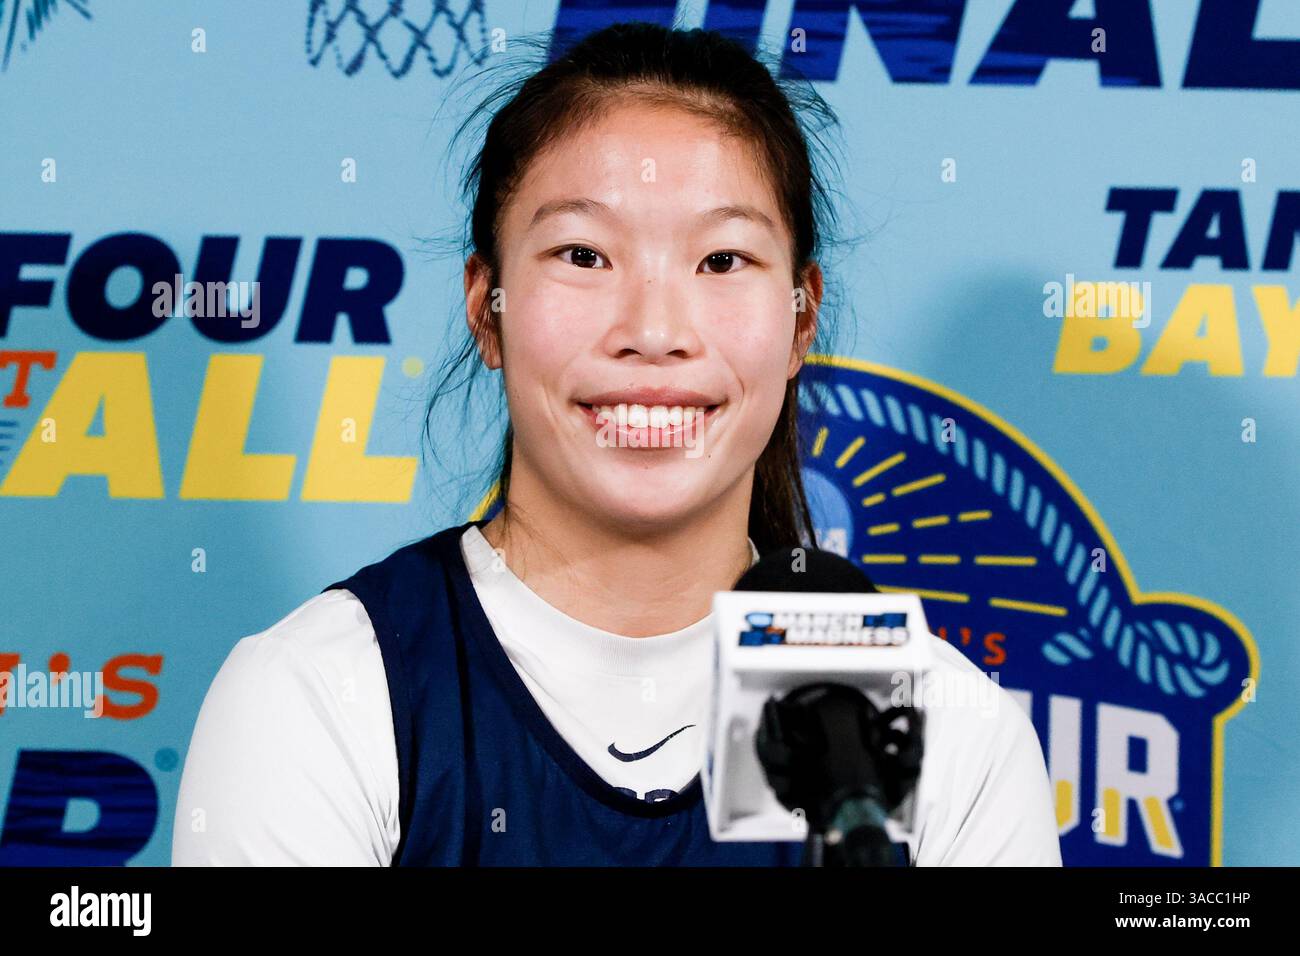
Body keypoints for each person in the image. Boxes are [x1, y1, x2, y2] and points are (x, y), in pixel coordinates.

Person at [172, 21, 1061, 867]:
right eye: (584, 255)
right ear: (487, 306)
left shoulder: (946, 734)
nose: (654, 330)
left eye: (722, 261)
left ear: (801, 320)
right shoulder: (322, 695)